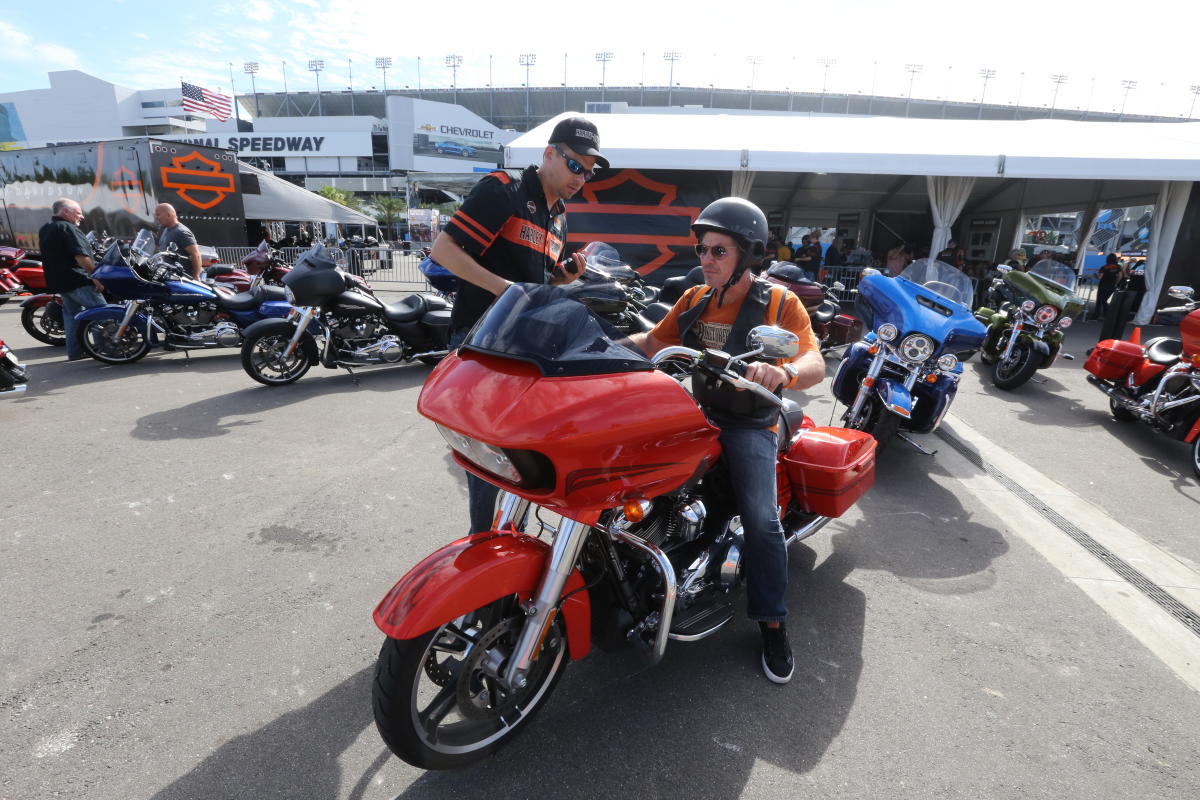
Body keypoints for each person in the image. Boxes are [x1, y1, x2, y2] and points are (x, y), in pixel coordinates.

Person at [630, 197, 825, 685]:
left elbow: (814, 363)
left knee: (761, 520)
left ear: (749, 254)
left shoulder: (780, 303)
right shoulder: (695, 299)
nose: (706, 258)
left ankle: (773, 621)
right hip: (698, 413)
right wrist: (596, 343)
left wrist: (782, 371)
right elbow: (653, 343)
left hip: (751, 421)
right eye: (702, 249)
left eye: (718, 250)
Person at [431, 115, 607, 534]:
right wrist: (505, 289)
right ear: (549, 154)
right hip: (480, 341)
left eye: (589, 170)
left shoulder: (559, 216)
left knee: (520, 451)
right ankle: (484, 544)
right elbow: (444, 250)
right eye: (575, 165)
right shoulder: (503, 190)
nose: (581, 177)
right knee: (487, 457)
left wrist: (560, 279)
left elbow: (538, 284)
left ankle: (507, 538)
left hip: (523, 346)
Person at [38, 198, 106, 361]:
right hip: (78, 281)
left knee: (72, 317)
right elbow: (81, 256)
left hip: (61, 282)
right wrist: (95, 276)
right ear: (65, 212)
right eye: (78, 213)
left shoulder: (46, 228)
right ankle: (107, 349)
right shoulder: (67, 228)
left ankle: (75, 352)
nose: (81, 216)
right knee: (104, 312)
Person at [153, 203, 202, 279]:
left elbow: (196, 255)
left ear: (169, 215)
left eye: (158, 215)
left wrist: (196, 276)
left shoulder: (181, 232)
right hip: (169, 277)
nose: (156, 218)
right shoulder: (166, 229)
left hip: (182, 280)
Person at [1095, 252, 1124, 320]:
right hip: (1112, 286)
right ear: (1115, 259)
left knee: (1099, 301)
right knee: (1104, 300)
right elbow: (1120, 276)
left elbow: (1099, 277)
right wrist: (1116, 283)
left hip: (1103, 285)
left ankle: (1096, 316)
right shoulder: (1118, 267)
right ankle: (1106, 315)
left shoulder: (1104, 267)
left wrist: (1095, 275)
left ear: (1108, 259)